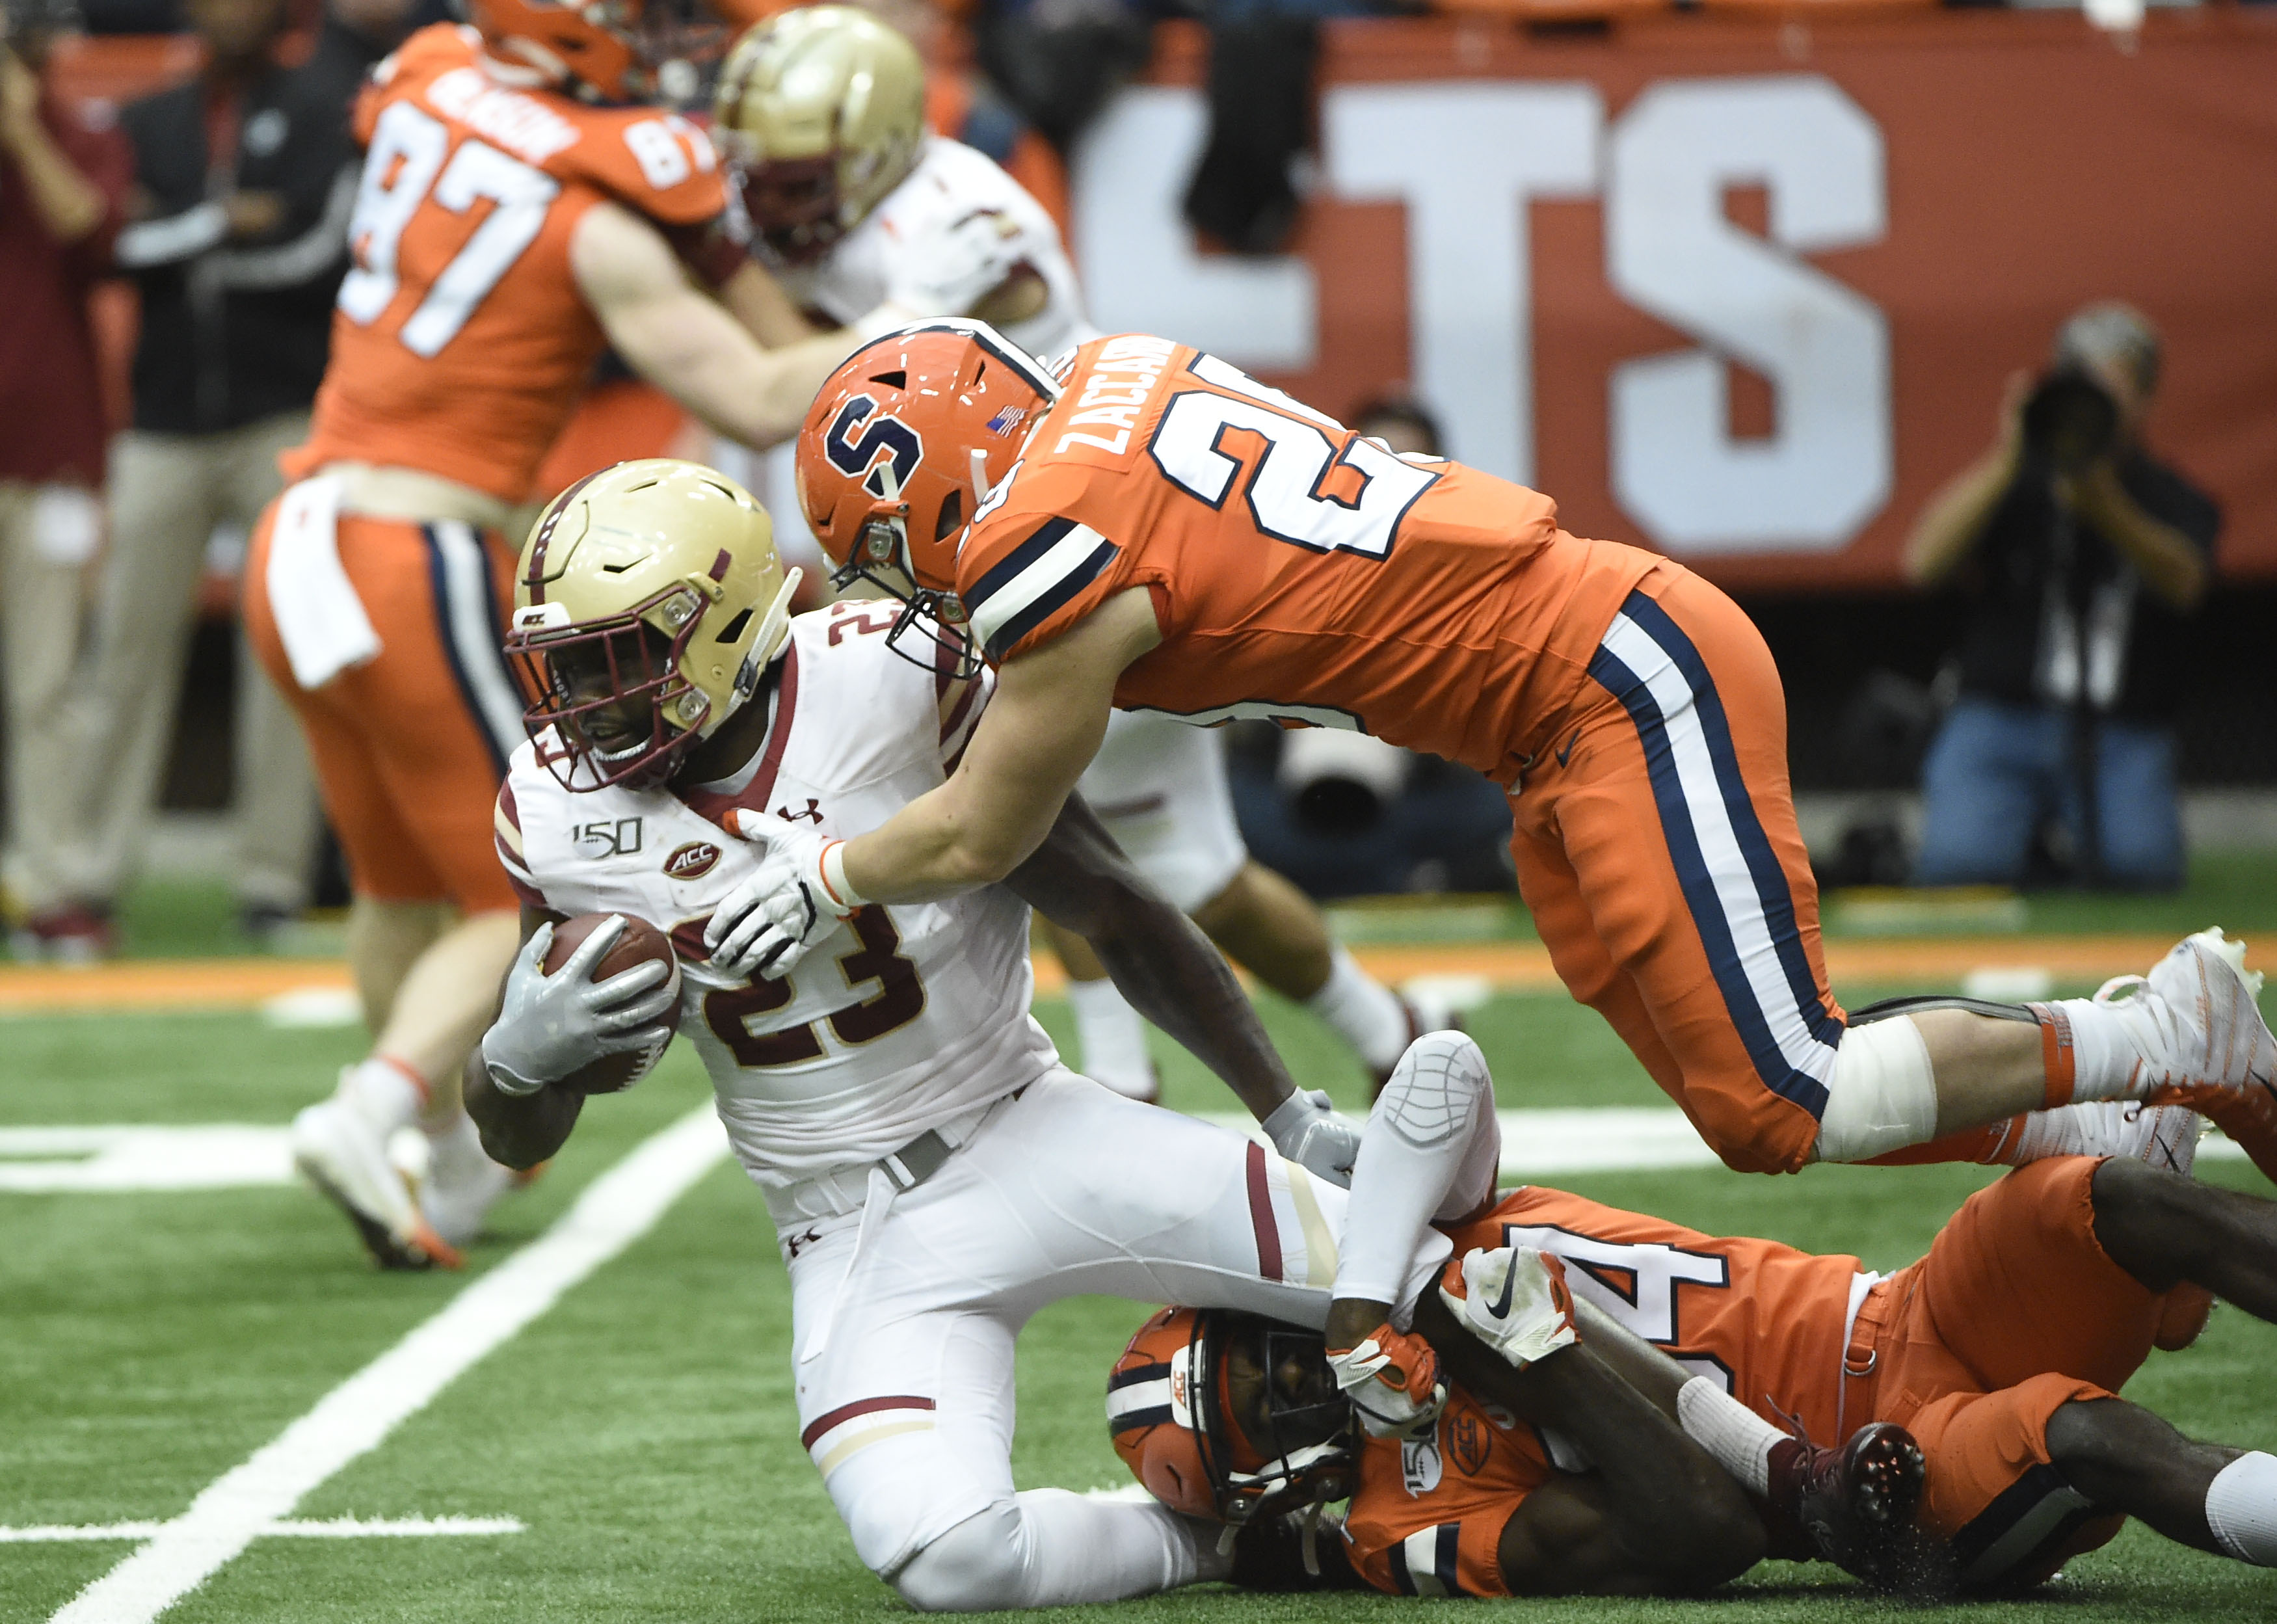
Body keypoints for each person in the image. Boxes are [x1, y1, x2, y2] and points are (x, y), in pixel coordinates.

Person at [723, 320, 2276, 1183]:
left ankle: (2165, 1033)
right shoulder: (1116, 379)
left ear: (931, 503)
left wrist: (823, 865)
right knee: (1750, 1119)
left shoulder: (1048, 553)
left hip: (1611, 677)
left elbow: (990, 830)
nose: (911, 586)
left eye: (891, 548)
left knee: (1795, 1082)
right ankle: (2093, 1115)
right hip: (1553, 712)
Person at [465, 459, 1425, 1612]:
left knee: (1414, 1274)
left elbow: (1112, 902)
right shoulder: (556, 811)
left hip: (1031, 1124)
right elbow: (521, 1137)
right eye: (564, 667)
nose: (583, 702)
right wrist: (513, 1058)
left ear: (719, 630)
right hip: (845, 1226)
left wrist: (1283, 1110)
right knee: (953, 1561)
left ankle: (1672, 1374)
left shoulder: (892, 677)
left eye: (613, 663)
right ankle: (1228, 1546)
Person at [251, 0, 1005, 1271]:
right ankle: (378, 1106)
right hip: (411, 543)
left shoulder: (428, 83)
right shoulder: (591, 217)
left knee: (394, 880)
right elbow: (757, 396)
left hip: (303, 525)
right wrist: (916, 313)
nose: (667, 40)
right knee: (512, 879)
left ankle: (433, 1151)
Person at [712, 6, 1437, 1102]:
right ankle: (1384, 1025)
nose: (771, 201)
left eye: (796, 176)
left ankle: (1124, 1078)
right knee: (1190, 870)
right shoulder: (888, 212)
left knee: (1040, 830)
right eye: (759, 176)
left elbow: (796, 392)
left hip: (1064, 552)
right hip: (1037, 541)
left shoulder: (953, 229)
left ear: (877, 147)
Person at [1116, 1031, 2277, 1598]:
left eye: (1267, 1359)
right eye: (1266, 1415)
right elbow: (1702, 1537)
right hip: (1880, 1488)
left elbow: (1443, 1067)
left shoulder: (1410, 1236)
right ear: (1265, 1478)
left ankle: (2164, 1289)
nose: (1301, 1386)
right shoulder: (1401, 1516)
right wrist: (1544, 1369)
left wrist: (1375, 1297)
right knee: (2080, 1435)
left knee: (2112, 1199)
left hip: (1905, 1304)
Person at [51, 0, 359, 953]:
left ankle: (269, 880)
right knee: (120, 653)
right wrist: (220, 227)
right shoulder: (154, 118)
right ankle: (83, 880)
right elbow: (111, 245)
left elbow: (321, 254)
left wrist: (185, 237)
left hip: (282, 415)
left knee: (285, 653)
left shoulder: (325, 108)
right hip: (164, 420)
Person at [1904, 303, 2218, 892]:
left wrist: (2106, 508)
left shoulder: (2166, 496)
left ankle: (2045, 847)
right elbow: (1924, 560)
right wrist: (2009, 454)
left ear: (2145, 400)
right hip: (2000, 714)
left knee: (2141, 872)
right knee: (1956, 869)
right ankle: (2024, 842)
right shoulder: (2013, 485)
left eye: (2112, 390)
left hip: (2119, 726)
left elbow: (2185, 582)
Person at [0, 0, 127, 961]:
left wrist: (16, 128)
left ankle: (52, 881)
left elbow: (93, 233)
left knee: (47, 681)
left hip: (43, 453)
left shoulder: (77, 134)